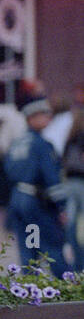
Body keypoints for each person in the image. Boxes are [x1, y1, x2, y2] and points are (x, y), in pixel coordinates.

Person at [5, 94, 68, 276]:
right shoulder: (42, 145)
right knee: (52, 247)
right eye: (44, 114)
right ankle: (66, 293)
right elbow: (51, 179)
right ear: (32, 117)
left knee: (29, 249)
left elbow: (9, 170)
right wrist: (62, 207)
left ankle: (31, 290)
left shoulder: (17, 143)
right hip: (36, 203)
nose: (49, 118)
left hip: (18, 199)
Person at [60, 111, 84, 272]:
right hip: (81, 183)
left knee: (72, 223)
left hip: (69, 183)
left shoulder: (70, 139)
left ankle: (76, 265)